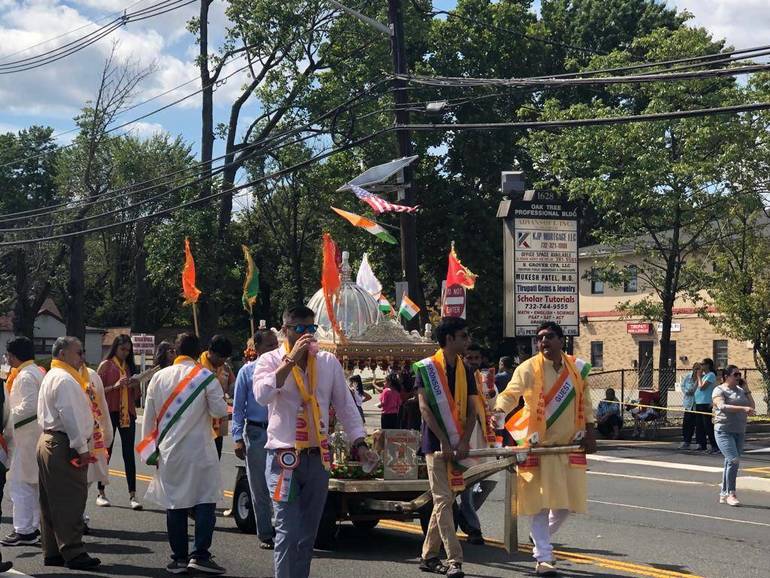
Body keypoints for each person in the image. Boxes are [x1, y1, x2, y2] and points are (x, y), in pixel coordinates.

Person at [253, 305, 371, 578]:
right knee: (287, 531)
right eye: (300, 329)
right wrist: (290, 361)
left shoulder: (327, 362)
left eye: (311, 329)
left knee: (308, 535)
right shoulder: (270, 360)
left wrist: (360, 442)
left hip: (318, 457)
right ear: (285, 330)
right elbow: (262, 395)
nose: (307, 335)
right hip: (284, 456)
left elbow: (346, 406)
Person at [494, 322, 597, 577]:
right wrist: (498, 410)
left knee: (565, 505)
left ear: (562, 340)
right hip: (535, 445)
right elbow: (510, 395)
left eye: (549, 337)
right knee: (538, 503)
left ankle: (540, 536)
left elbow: (585, 401)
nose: (543, 342)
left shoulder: (577, 368)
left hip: (567, 445)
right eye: (539, 338)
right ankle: (544, 557)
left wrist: (592, 430)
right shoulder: (528, 368)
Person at [140, 332, 228, 575]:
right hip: (200, 450)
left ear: (175, 352)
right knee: (205, 501)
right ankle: (199, 554)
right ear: (197, 350)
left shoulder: (158, 377)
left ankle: (178, 558)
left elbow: (149, 418)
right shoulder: (205, 376)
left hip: (170, 451)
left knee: (175, 503)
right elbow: (220, 410)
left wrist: (149, 451)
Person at [415, 317, 478, 578]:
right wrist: (443, 439)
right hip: (435, 444)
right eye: (463, 336)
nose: (467, 340)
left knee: (446, 499)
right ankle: (455, 560)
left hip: (459, 443)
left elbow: (474, 410)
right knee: (443, 500)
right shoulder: (426, 368)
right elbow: (424, 408)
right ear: (449, 339)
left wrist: (463, 441)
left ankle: (429, 556)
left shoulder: (467, 370)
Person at [37, 336, 100, 569]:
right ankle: (73, 552)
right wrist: (82, 449)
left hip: (50, 439)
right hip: (64, 443)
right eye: (78, 352)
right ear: (62, 354)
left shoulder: (52, 376)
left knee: (50, 500)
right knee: (71, 499)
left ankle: (53, 551)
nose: (82, 357)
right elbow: (70, 417)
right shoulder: (65, 379)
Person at [232, 328, 280, 550]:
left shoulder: (285, 370)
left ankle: (283, 530)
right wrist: (237, 437)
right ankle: (265, 533)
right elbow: (238, 408)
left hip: (280, 431)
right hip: (256, 432)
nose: (274, 348)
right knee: (259, 485)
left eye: (275, 344)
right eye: (269, 345)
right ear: (257, 349)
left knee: (281, 484)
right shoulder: (246, 372)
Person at [2, 337, 44, 547]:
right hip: (32, 434)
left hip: (25, 435)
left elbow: (29, 406)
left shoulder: (25, 376)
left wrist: (7, 417)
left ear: (14, 355)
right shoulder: (35, 371)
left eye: (8, 354)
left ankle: (24, 530)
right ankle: (33, 527)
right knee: (32, 483)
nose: (6, 358)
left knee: (20, 485)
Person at [96, 334, 142, 510]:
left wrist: (134, 385)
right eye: (122, 349)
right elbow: (96, 392)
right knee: (106, 451)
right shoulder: (106, 365)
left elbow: (136, 396)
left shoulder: (129, 366)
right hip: (109, 412)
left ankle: (133, 494)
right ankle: (101, 492)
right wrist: (115, 386)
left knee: (129, 453)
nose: (125, 353)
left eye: (128, 350)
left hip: (127, 413)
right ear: (115, 348)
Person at [455, 342, 494, 546]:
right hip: (464, 439)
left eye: (476, 358)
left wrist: (491, 394)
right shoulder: (456, 379)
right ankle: (473, 528)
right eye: (469, 358)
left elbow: (494, 406)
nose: (473, 362)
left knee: (487, 482)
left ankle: (462, 515)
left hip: (483, 439)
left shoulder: (487, 380)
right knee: (467, 486)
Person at [712, 365, 755, 506]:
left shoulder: (741, 390)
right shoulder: (719, 390)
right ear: (726, 376)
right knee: (734, 460)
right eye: (735, 374)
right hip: (723, 430)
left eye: (739, 374)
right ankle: (731, 493)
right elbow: (722, 406)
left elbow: (752, 406)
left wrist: (747, 389)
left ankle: (723, 493)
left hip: (739, 430)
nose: (738, 377)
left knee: (730, 462)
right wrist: (743, 408)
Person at [83, 364, 114, 535]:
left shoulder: (92, 375)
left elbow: (102, 406)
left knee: (85, 480)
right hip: (70, 436)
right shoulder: (59, 375)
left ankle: (79, 517)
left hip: (91, 434)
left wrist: (106, 432)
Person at [199, 335, 236, 459]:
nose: (222, 360)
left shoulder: (225, 368)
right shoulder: (198, 366)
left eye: (225, 358)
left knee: (215, 456)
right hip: (201, 421)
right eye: (220, 357)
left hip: (219, 420)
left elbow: (233, 388)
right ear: (210, 351)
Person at [695, 358, 719, 453]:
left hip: (706, 403)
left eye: (703, 364)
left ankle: (714, 446)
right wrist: (698, 376)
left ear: (708, 365)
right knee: (699, 425)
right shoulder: (704, 376)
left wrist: (699, 377)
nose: (701, 366)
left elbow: (702, 388)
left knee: (707, 425)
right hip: (699, 402)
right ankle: (702, 444)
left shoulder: (711, 375)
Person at [679, 362, 700, 449]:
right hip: (689, 403)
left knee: (698, 424)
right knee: (687, 423)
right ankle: (686, 441)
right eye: (695, 369)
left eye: (698, 369)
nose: (697, 371)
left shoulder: (701, 378)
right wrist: (686, 391)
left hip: (698, 403)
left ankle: (699, 443)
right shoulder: (688, 376)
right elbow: (682, 385)